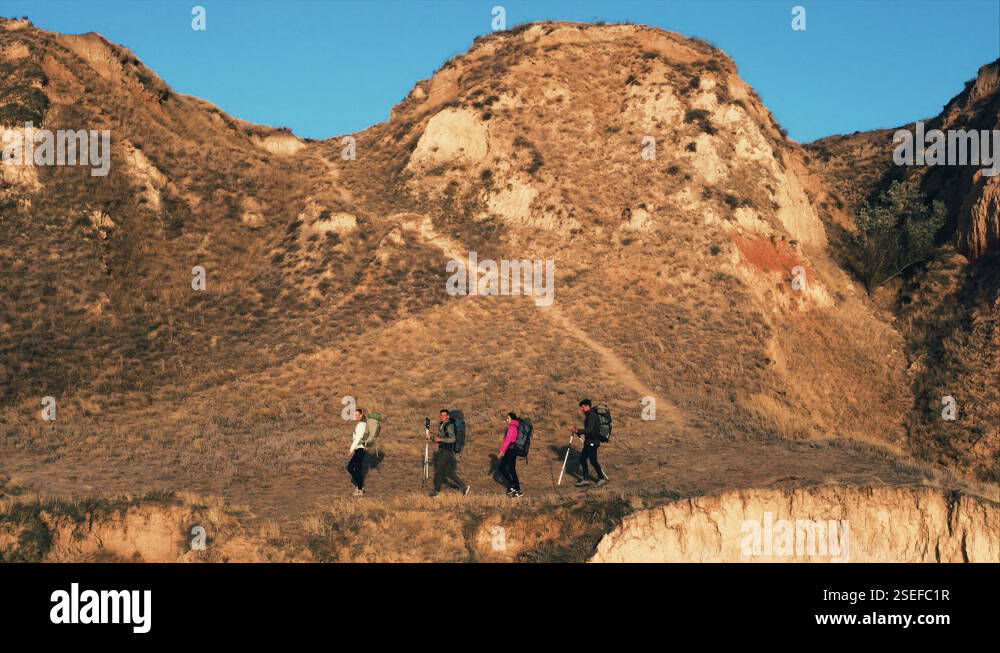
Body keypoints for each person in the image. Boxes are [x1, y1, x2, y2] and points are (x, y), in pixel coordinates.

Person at [428, 409, 470, 497]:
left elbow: (453, 439)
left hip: (447, 451)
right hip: (445, 451)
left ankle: (437, 491)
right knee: (448, 472)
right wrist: (431, 437)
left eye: (444, 415)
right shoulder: (441, 424)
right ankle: (464, 486)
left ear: (448, 416)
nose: (442, 417)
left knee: (439, 469)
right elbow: (439, 438)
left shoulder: (449, 425)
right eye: (441, 415)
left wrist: (441, 440)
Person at [571, 399, 607, 487]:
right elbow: (589, 430)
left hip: (593, 442)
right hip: (589, 441)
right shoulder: (589, 415)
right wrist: (578, 431)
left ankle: (601, 479)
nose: (582, 409)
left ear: (587, 406)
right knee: (582, 459)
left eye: (583, 407)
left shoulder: (591, 415)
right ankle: (586, 479)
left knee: (593, 461)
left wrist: (578, 430)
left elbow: (589, 430)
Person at [497, 412, 523, 498]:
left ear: (512, 419)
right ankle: (512, 485)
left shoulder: (512, 427)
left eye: (508, 418)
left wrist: (501, 451)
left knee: (511, 470)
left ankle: (518, 490)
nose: (506, 420)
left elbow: (508, 440)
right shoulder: (512, 427)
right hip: (509, 450)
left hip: (511, 451)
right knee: (502, 468)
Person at [346, 407, 367, 496]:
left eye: (357, 415)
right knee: (358, 469)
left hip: (359, 449)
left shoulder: (361, 425)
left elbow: (357, 439)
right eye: (354, 415)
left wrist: (351, 450)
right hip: (360, 449)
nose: (355, 416)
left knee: (350, 467)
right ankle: (360, 487)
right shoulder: (363, 424)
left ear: (361, 415)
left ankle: (359, 488)